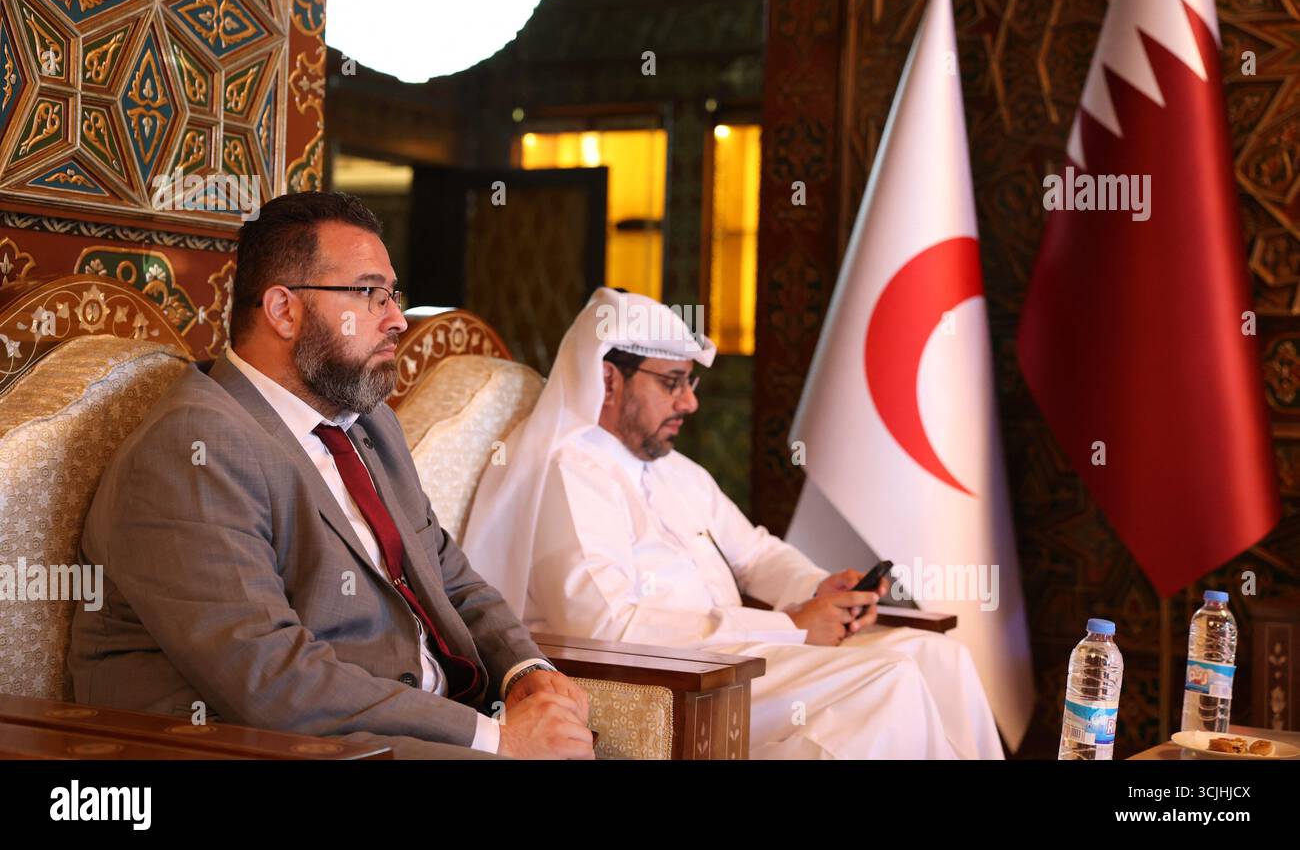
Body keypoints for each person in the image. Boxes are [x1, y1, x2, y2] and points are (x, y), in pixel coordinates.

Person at [68, 191, 592, 760]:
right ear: (284, 310)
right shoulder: (195, 449)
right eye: (368, 294)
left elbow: (445, 571)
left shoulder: (367, 425)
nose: (396, 320)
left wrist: (525, 671)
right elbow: (271, 677)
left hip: (414, 725)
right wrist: (500, 741)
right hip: (271, 744)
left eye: (392, 295)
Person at [463, 287, 1003, 759]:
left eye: (690, 382)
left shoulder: (674, 469)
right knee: (889, 682)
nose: (691, 402)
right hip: (677, 679)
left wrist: (816, 588)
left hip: (738, 652)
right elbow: (608, 631)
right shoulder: (566, 472)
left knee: (943, 657)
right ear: (608, 378)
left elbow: (756, 552)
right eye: (672, 382)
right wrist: (789, 626)